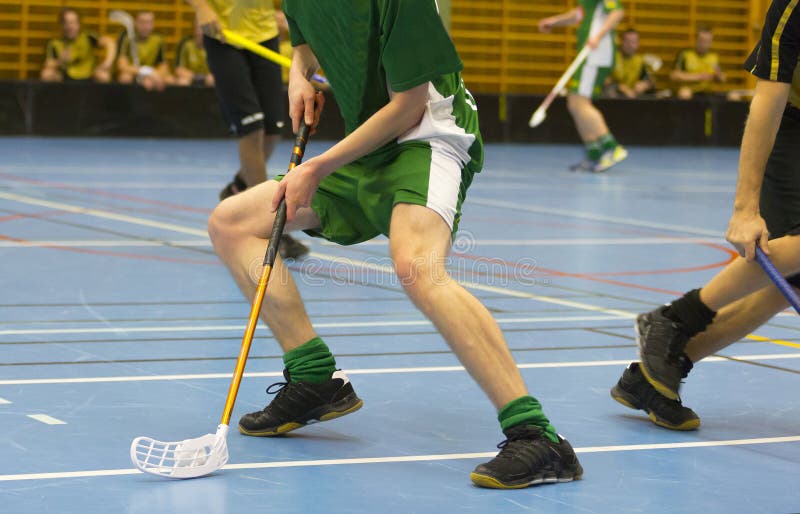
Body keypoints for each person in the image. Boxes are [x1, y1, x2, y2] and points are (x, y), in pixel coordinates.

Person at [206, 0, 582, 489]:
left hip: (429, 136)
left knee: (418, 268)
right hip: (368, 146)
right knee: (231, 223)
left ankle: (537, 435)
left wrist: (317, 168)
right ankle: (314, 377)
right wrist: (301, 73)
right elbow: (304, 40)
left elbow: (408, 105)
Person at [611, 0, 800, 430]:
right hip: (791, 126)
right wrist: (745, 208)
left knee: (778, 290)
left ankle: (655, 375)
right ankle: (674, 318)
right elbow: (769, 97)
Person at [187, 0, 308, 259]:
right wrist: (201, 6)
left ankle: (239, 187)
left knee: (273, 129)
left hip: (265, 34)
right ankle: (271, 226)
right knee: (251, 128)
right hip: (223, 34)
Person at [538, 0, 628, 173]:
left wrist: (598, 37)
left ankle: (612, 147)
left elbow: (617, 12)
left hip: (595, 53)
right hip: (589, 53)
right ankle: (594, 153)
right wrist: (554, 21)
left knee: (580, 103)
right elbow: (580, 13)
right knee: (575, 104)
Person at [40, 8, 115, 83]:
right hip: (66, 76)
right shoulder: (54, 43)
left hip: (89, 75)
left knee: (104, 76)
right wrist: (60, 60)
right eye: (67, 23)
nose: (70, 27)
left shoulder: (88, 37)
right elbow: (48, 64)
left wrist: (107, 64)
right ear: (61, 25)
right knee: (46, 74)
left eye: (73, 22)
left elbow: (109, 42)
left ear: (79, 24)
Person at [116, 11, 174, 91]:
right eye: (142, 22)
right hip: (134, 73)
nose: (145, 26)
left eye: (148, 22)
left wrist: (154, 75)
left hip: (151, 76)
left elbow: (164, 67)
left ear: (153, 25)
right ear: (136, 23)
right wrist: (146, 72)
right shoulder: (126, 37)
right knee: (125, 77)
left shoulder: (158, 40)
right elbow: (122, 66)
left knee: (169, 79)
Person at [671, 26, 726, 100]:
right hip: (690, 90)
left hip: (708, 92)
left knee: (734, 96)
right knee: (684, 93)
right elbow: (674, 75)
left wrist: (718, 76)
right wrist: (698, 77)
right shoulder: (686, 54)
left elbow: (722, 79)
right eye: (702, 40)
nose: (704, 44)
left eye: (708, 41)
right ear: (696, 40)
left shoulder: (714, 56)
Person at [606, 28, 654, 98]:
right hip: (613, 97)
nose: (630, 45)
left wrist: (645, 85)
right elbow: (603, 80)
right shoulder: (611, 57)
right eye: (627, 41)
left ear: (638, 44)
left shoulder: (639, 61)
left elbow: (649, 81)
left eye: (633, 42)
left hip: (632, 98)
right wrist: (620, 87)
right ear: (621, 42)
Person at [175, 20, 214, 87]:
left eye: (204, 28)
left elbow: (219, 70)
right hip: (191, 78)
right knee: (182, 82)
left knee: (214, 81)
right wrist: (194, 77)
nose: (201, 32)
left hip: (208, 79)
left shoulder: (213, 46)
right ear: (194, 29)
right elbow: (179, 69)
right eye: (198, 28)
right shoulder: (185, 43)